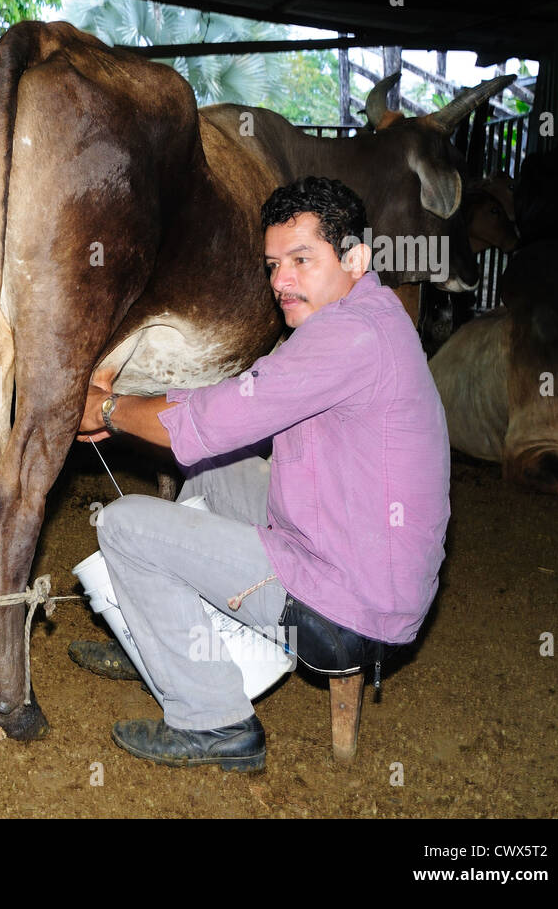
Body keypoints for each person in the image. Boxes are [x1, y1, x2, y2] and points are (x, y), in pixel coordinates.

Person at [73, 176, 451, 772]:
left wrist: (110, 411)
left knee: (124, 526)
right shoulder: (365, 313)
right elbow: (234, 401)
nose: (280, 281)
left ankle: (214, 723)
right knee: (216, 474)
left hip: (348, 607)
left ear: (355, 257)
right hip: (364, 562)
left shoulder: (347, 338)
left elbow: (211, 421)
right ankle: (173, 640)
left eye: (302, 260)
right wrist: (127, 402)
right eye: (274, 263)